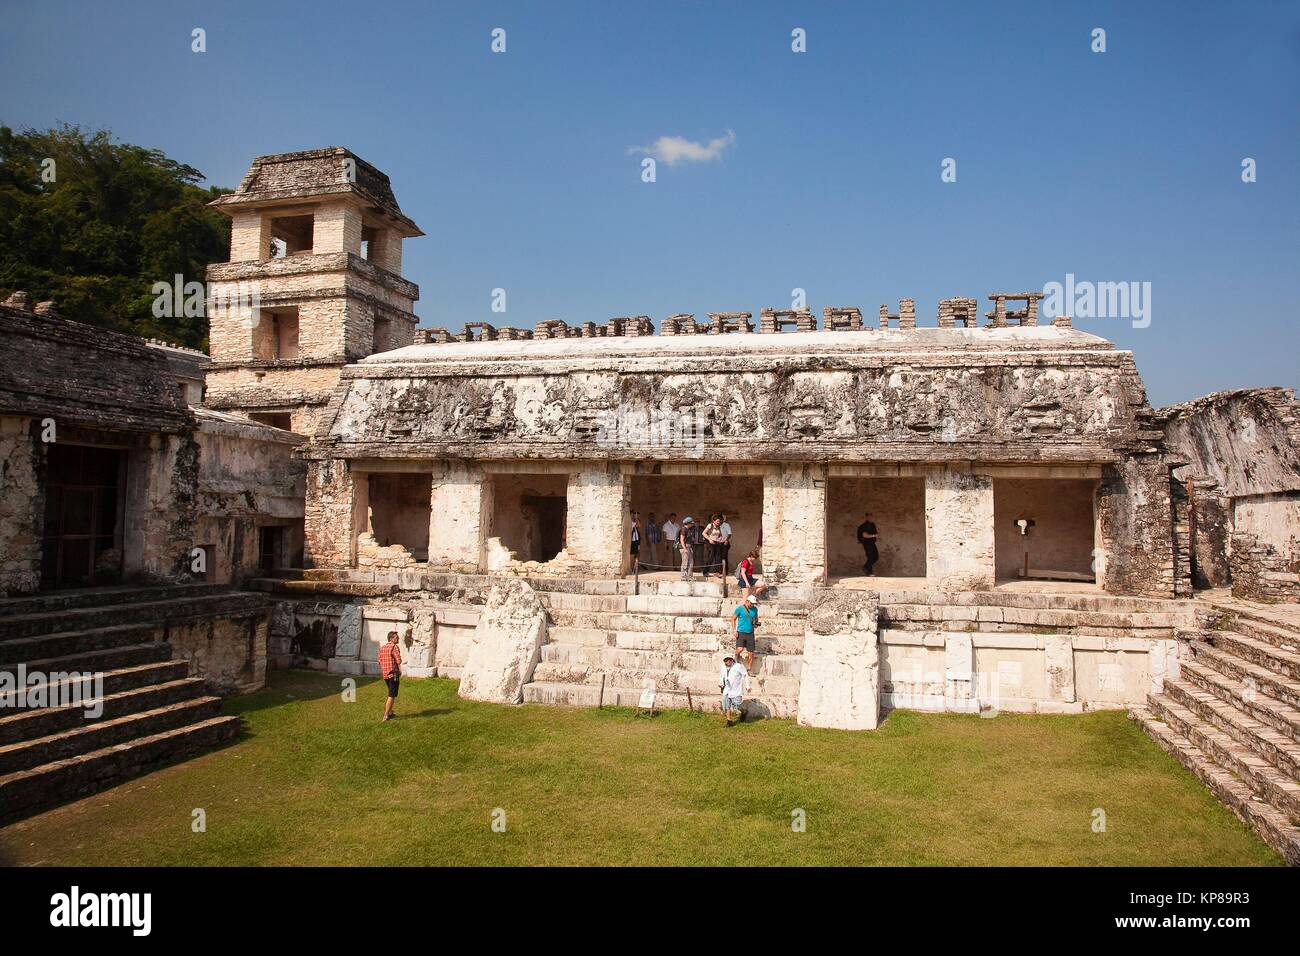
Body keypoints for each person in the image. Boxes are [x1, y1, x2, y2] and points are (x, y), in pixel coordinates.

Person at [378, 629, 402, 721]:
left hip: (385, 674)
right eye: (396, 637)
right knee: (392, 695)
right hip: (393, 674)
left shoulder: (382, 648)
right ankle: (386, 715)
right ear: (391, 638)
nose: (398, 638)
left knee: (391, 693)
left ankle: (391, 712)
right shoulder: (394, 647)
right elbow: (398, 660)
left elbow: (379, 660)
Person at [732, 594, 759, 671]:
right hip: (741, 632)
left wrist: (756, 624)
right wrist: (734, 630)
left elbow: (755, 620)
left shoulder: (755, 609)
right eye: (751, 603)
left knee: (751, 653)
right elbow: (733, 618)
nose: (752, 605)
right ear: (747, 601)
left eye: (753, 603)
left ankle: (749, 669)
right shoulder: (740, 609)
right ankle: (736, 655)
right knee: (740, 649)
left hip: (750, 632)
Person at [719, 653, 747, 726]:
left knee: (737, 706)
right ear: (724, 661)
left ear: (732, 660)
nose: (728, 661)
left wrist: (747, 685)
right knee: (726, 705)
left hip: (736, 689)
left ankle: (743, 712)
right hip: (726, 690)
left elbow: (745, 674)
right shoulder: (723, 667)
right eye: (726, 660)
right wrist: (721, 683)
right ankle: (729, 721)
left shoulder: (738, 666)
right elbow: (722, 676)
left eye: (730, 659)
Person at [857, 512, 879, 576]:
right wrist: (874, 535)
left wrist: (875, 536)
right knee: (870, 557)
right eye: (870, 516)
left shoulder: (872, 525)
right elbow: (864, 535)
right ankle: (869, 572)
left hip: (872, 543)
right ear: (866, 517)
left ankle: (866, 567)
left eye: (872, 516)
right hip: (867, 543)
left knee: (876, 557)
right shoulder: (864, 525)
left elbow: (875, 533)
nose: (871, 517)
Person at [678, 516, 696, 580]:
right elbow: (681, 540)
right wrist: (685, 549)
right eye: (691, 523)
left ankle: (689, 575)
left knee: (691, 562)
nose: (692, 524)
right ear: (688, 523)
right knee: (685, 562)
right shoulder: (683, 529)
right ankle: (684, 576)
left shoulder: (689, 530)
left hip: (689, 546)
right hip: (684, 547)